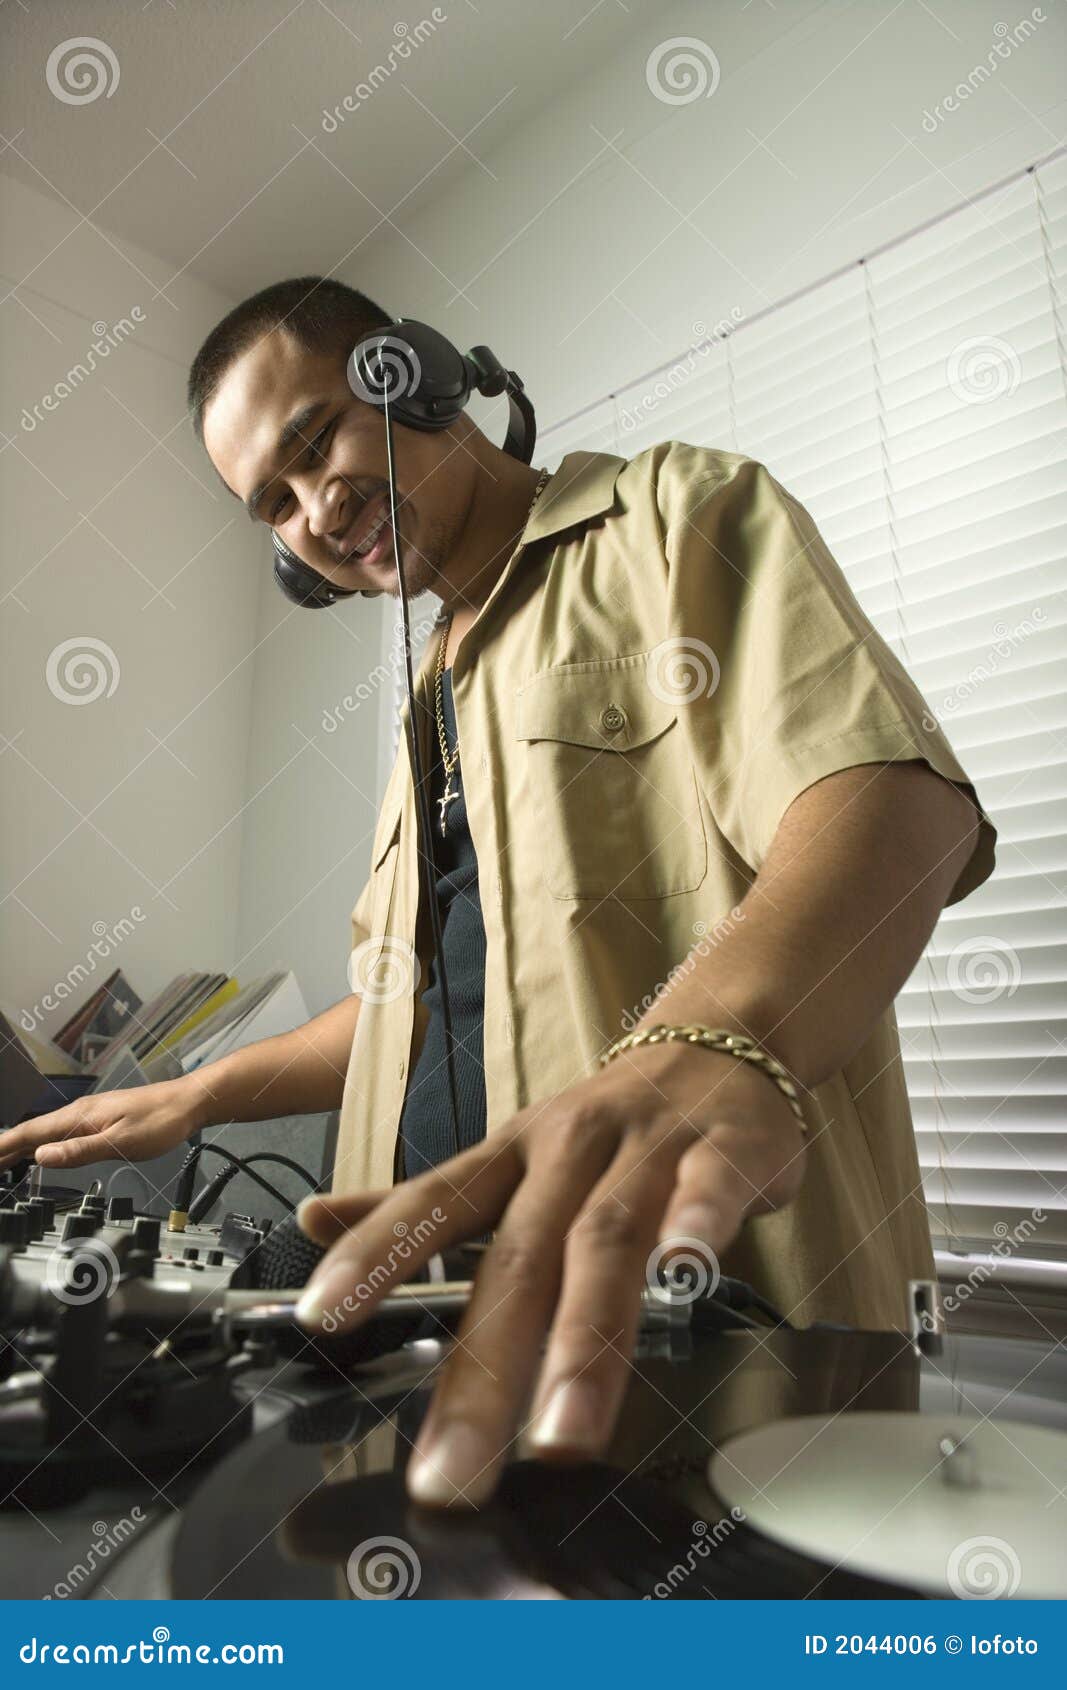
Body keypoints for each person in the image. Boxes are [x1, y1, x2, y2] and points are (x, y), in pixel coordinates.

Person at [1, 276, 996, 1511]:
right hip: (432, 1358)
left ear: (413, 371)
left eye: (318, 442)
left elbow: (897, 807)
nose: (317, 508)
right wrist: (191, 1094)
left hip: (712, 1335)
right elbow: (397, 1014)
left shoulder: (672, 514)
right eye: (276, 501)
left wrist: (712, 1037)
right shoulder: (421, 711)